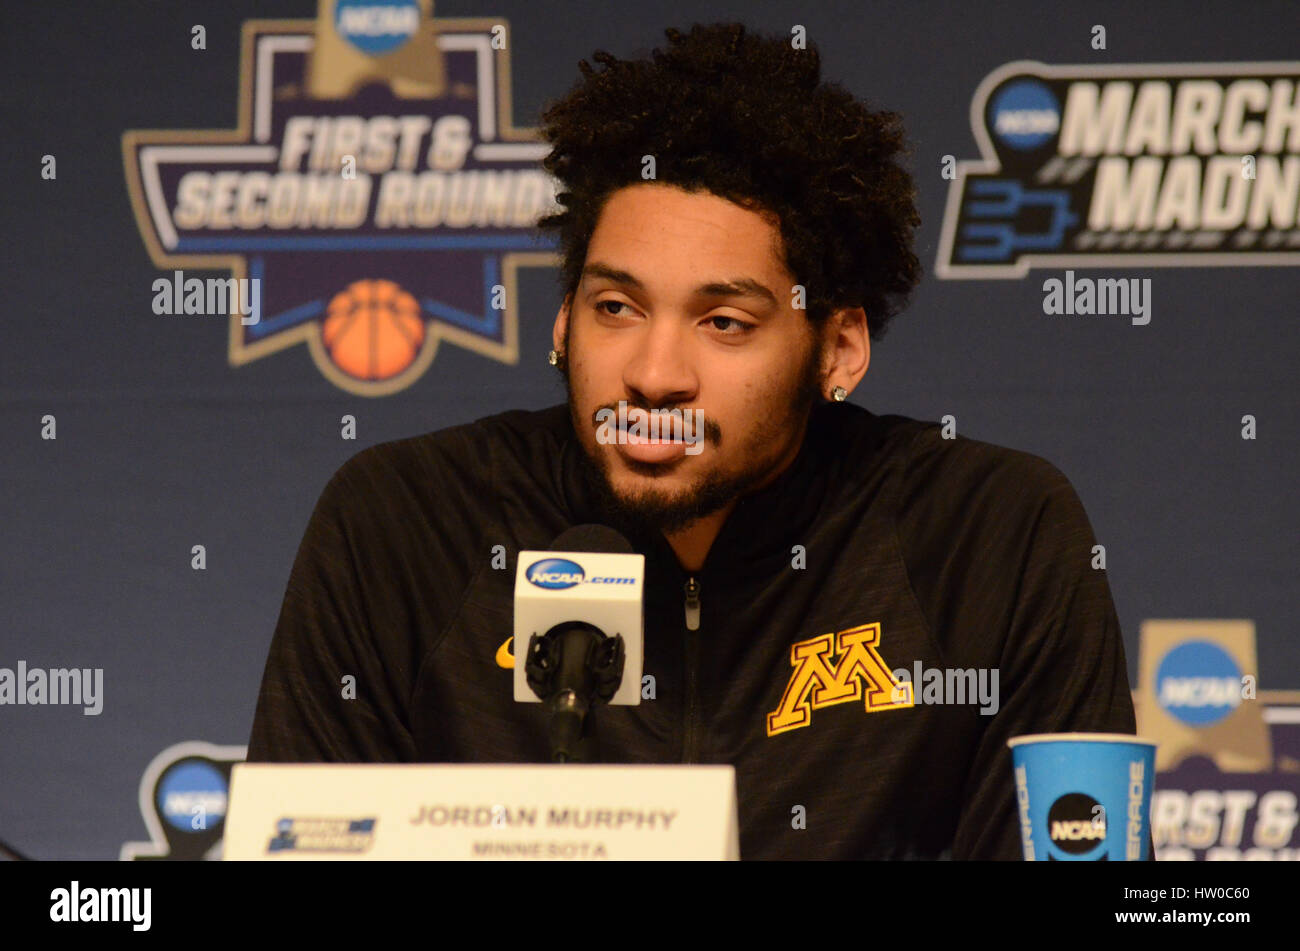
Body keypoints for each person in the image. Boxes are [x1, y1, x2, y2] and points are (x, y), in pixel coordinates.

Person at [248, 22, 1138, 859]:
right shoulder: (407, 524)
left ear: (839, 348)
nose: (654, 372)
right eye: (616, 308)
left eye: (722, 321)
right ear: (561, 323)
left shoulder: (989, 537)